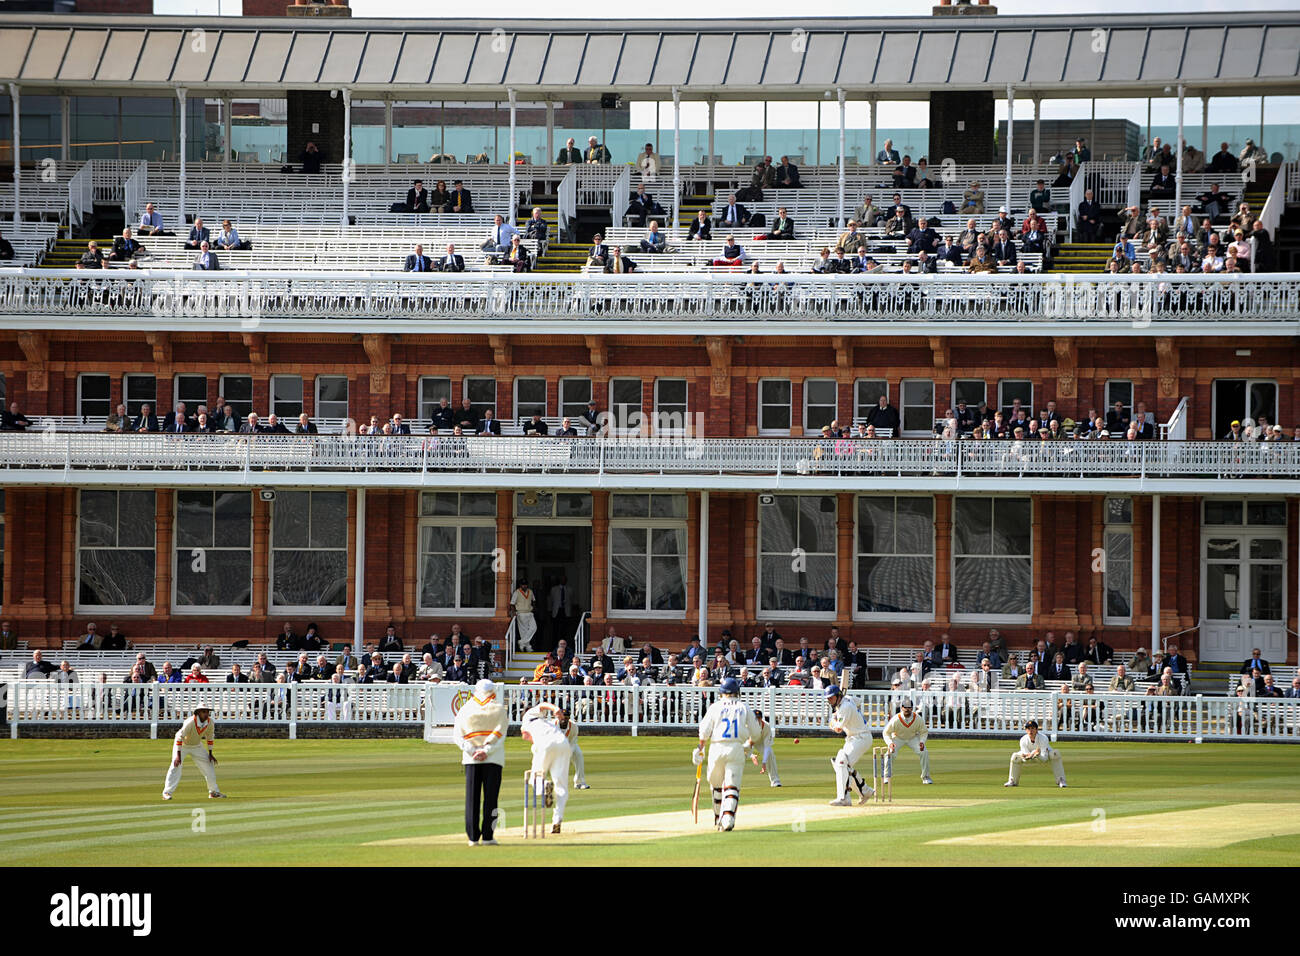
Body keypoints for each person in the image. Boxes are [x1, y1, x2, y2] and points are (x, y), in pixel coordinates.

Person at [695, 676, 761, 831]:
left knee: (716, 784)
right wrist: (749, 744)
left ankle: (718, 818)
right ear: (737, 692)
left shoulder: (715, 707)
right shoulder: (744, 707)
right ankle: (728, 819)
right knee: (732, 785)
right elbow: (756, 733)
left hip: (717, 747)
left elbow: (704, 731)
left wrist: (699, 748)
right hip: (736, 748)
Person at [453, 678, 507, 846]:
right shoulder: (499, 709)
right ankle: (488, 837)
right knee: (491, 798)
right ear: (493, 691)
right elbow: (501, 734)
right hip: (494, 758)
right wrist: (486, 750)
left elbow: (457, 735)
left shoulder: (465, 709)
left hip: (471, 759)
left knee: (472, 798)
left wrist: (472, 750)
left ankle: (473, 838)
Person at [521, 700, 572, 834]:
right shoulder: (547, 723)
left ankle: (543, 787)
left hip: (545, 744)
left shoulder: (528, 716)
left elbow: (542, 705)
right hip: (563, 744)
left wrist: (555, 708)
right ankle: (557, 820)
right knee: (561, 786)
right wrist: (556, 710)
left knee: (534, 777)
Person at [162, 704, 225, 800]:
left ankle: (213, 792)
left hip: (197, 746)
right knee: (175, 766)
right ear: (198, 712)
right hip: (182, 745)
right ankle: (167, 793)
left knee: (209, 766)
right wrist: (178, 756)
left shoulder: (210, 722)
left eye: (207, 711)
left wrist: (210, 754)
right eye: (203, 711)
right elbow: (180, 737)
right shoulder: (190, 721)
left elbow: (210, 737)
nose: (206, 714)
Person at [826, 683, 874, 806]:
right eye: (828, 698)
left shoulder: (845, 707)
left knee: (841, 762)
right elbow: (859, 701)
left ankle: (844, 798)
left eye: (831, 698)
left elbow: (837, 729)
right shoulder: (848, 700)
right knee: (840, 764)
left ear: (838, 696)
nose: (829, 701)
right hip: (853, 738)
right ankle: (865, 791)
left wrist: (832, 720)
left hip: (861, 737)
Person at [881, 697, 932, 786]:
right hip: (898, 738)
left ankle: (926, 777)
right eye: (905, 707)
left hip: (913, 738)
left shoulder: (918, 718)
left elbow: (924, 732)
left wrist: (922, 742)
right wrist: (890, 743)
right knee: (889, 753)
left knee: (924, 752)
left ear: (912, 708)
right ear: (902, 708)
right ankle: (887, 776)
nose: (907, 709)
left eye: (909, 707)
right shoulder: (896, 719)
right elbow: (886, 733)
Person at [1005, 719, 1066, 788]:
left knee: (1055, 754)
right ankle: (1012, 781)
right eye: (1028, 728)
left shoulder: (1043, 738)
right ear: (1026, 730)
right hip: (1032, 755)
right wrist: (1032, 754)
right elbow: (1026, 759)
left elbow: (1044, 759)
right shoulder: (1023, 740)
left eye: (1033, 728)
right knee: (1015, 757)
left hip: (1044, 755)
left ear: (1037, 730)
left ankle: (1061, 780)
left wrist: (1037, 754)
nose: (1030, 731)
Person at [744, 708, 781, 787]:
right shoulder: (745, 726)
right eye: (756, 718)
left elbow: (767, 746)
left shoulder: (766, 726)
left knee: (770, 754)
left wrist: (764, 762)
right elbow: (743, 744)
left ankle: (775, 781)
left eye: (759, 718)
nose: (757, 720)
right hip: (747, 742)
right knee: (740, 755)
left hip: (760, 742)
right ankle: (732, 782)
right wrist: (751, 755)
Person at [557, 706, 589, 790]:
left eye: (566, 717)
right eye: (563, 716)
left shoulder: (574, 727)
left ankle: (580, 782)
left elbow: (573, 743)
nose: (564, 719)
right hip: (556, 747)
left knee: (579, 755)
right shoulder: (552, 725)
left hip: (571, 744)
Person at [510, 578, 537, 651]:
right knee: (523, 631)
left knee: (534, 628)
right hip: (521, 613)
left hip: (529, 612)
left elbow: (534, 600)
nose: (524, 586)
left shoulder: (530, 591)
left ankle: (522, 642)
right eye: (523, 585)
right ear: (520, 585)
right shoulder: (517, 592)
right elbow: (512, 604)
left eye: (525, 585)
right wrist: (514, 612)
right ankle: (528, 647)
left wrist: (533, 608)